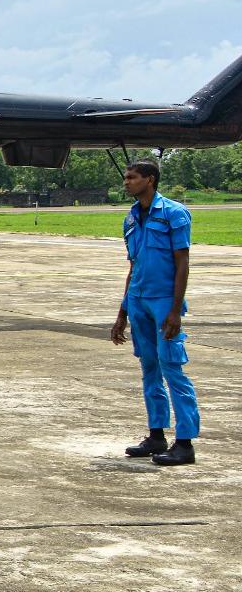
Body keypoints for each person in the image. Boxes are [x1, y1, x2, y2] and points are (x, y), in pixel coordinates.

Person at [112, 159, 200, 466]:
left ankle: (185, 443)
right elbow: (133, 267)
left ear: (150, 180)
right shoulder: (131, 218)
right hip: (138, 301)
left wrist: (175, 310)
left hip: (164, 302)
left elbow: (182, 263)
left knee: (172, 368)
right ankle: (156, 435)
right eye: (126, 177)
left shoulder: (174, 213)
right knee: (149, 369)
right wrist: (122, 313)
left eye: (132, 177)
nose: (126, 182)